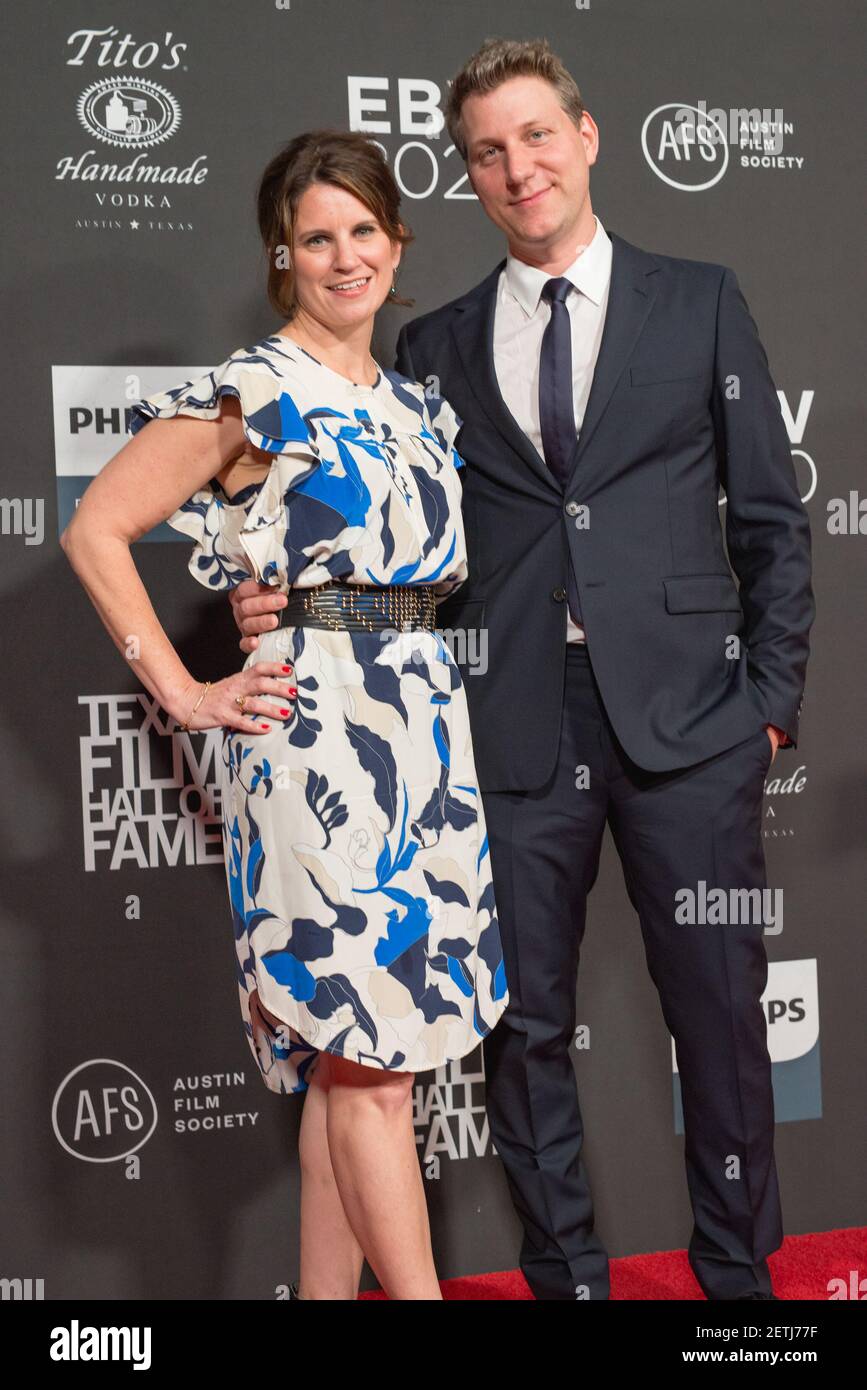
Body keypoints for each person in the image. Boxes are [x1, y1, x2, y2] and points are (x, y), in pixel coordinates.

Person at [231, 40, 814, 1301]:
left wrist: (767, 709)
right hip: (507, 723)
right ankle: (567, 1279)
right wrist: (282, 592)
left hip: (692, 722)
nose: (518, 167)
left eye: (537, 136)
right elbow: (384, 534)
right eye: (488, 152)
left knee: (719, 1013)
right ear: (470, 178)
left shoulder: (699, 300)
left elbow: (773, 517)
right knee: (524, 1026)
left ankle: (738, 1283)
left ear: (586, 137)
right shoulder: (430, 345)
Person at [60, 129, 509, 1302]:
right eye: (317, 237)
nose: (343, 256)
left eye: (363, 230)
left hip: (421, 738)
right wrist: (183, 690)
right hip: (314, 740)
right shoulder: (256, 388)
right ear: (283, 254)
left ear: (397, 242)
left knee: (349, 1067)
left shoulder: (413, 405)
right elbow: (96, 527)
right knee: (373, 1068)